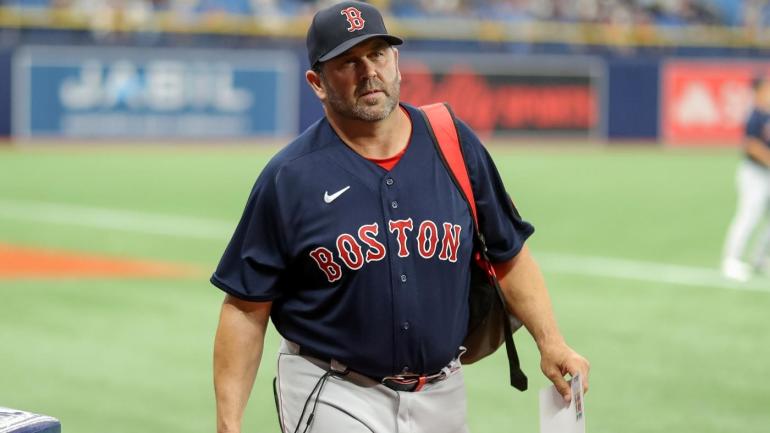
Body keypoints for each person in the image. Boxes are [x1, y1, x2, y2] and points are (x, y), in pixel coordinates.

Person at [211, 2, 590, 432]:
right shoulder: (289, 177)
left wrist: (551, 340)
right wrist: (229, 423)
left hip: (442, 390)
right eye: (348, 61)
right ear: (317, 83)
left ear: (397, 62)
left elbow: (508, 254)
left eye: (378, 54)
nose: (368, 71)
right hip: (333, 387)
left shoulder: (452, 143)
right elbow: (245, 307)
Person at [721, 75, 770, 282]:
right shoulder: (755, 116)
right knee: (748, 216)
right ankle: (730, 260)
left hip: (766, 174)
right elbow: (751, 145)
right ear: (758, 91)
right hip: (754, 174)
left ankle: (760, 258)